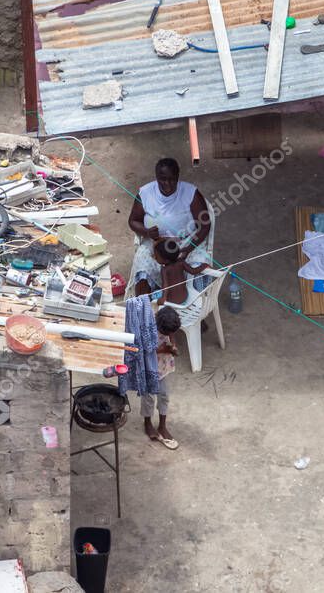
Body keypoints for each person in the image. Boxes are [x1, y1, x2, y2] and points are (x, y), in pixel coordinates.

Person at [128, 158, 212, 298]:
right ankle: (144, 309)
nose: (167, 184)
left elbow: (205, 225)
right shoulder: (145, 193)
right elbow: (133, 221)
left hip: (185, 242)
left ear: (178, 177)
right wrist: (146, 232)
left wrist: (188, 248)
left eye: (172, 179)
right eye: (163, 179)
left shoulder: (191, 193)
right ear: (156, 177)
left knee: (200, 265)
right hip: (155, 243)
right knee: (142, 267)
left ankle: (197, 310)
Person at [144, 306, 181, 450]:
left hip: (163, 367)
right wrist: (164, 350)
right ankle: (147, 423)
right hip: (150, 367)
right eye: (167, 332)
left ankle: (162, 425)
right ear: (159, 326)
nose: (169, 334)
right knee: (148, 397)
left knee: (164, 395)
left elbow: (171, 335)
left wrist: (173, 346)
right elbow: (145, 350)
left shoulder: (168, 325)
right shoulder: (148, 328)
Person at [154, 237, 210, 305]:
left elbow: (165, 286)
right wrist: (203, 266)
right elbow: (193, 271)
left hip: (172, 302)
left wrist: (163, 298)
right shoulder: (181, 262)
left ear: (166, 260)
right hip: (184, 298)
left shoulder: (164, 270)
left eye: (156, 257)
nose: (155, 258)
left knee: (154, 294)